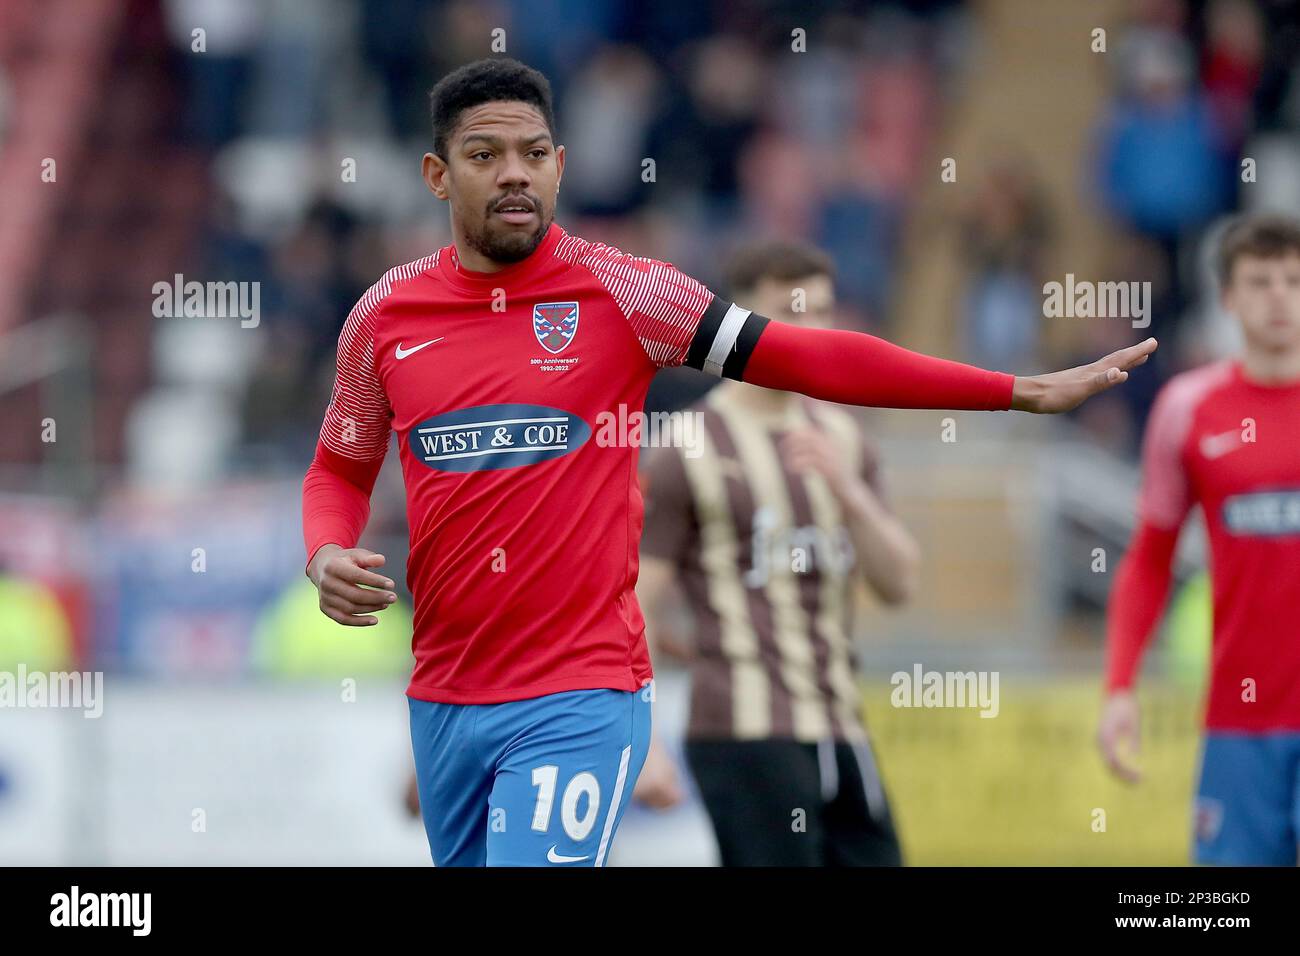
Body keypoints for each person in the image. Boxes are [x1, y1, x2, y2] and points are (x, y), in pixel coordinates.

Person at [301, 56, 1156, 867]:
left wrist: (1010, 390)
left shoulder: (624, 294)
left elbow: (813, 358)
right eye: (485, 155)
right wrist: (326, 549)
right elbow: (338, 469)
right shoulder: (384, 316)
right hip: (446, 695)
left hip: (579, 688)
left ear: (560, 166)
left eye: (532, 154)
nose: (514, 174)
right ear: (437, 176)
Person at [633, 239, 916, 865]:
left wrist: (850, 494)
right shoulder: (686, 445)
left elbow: (900, 584)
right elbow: (637, 608)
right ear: (741, 325)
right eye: (792, 312)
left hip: (842, 726)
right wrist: (642, 739)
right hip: (742, 730)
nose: (812, 330)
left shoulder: (844, 435)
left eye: (823, 311)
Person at [1099, 215, 1300, 865]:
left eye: (1294, 281)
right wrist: (1120, 687)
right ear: (1228, 298)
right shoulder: (1189, 409)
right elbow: (1150, 559)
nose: (1279, 297)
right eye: (1261, 281)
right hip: (1239, 725)